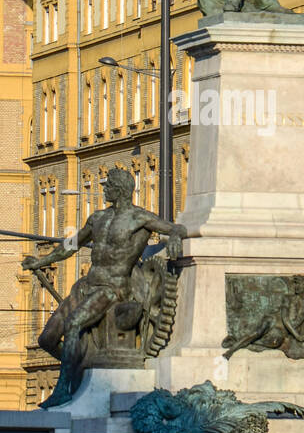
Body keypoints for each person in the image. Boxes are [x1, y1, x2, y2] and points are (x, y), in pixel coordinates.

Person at [22, 168, 186, 407]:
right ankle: (79, 370)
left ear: (119, 190)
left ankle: (63, 389)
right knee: (46, 339)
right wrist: (41, 261)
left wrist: (175, 238)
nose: (104, 189)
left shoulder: (139, 219)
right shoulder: (97, 218)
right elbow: (72, 244)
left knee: (74, 323)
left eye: (108, 185)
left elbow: (177, 228)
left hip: (113, 289)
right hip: (86, 286)